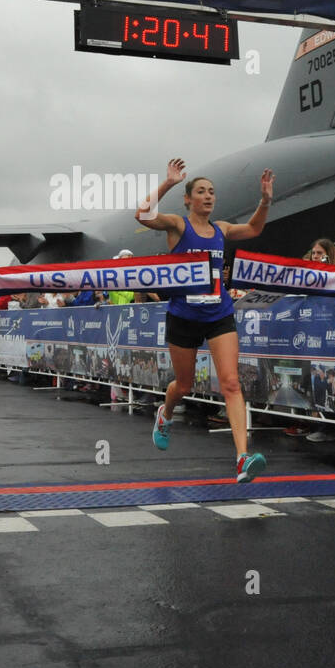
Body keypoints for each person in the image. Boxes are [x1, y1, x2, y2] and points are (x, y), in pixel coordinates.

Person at [137, 157, 275, 483]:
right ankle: (165, 414)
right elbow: (142, 215)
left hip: (219, 313)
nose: (209, 196)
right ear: (189, 199)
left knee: (230, 382)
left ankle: (242, 457)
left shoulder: (221, 229)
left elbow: (255, 228)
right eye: (201, 191)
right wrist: (168, 182)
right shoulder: (178, 226)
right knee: (183, 384)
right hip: (184, 315)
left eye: (212, 191)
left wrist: (265, 201)